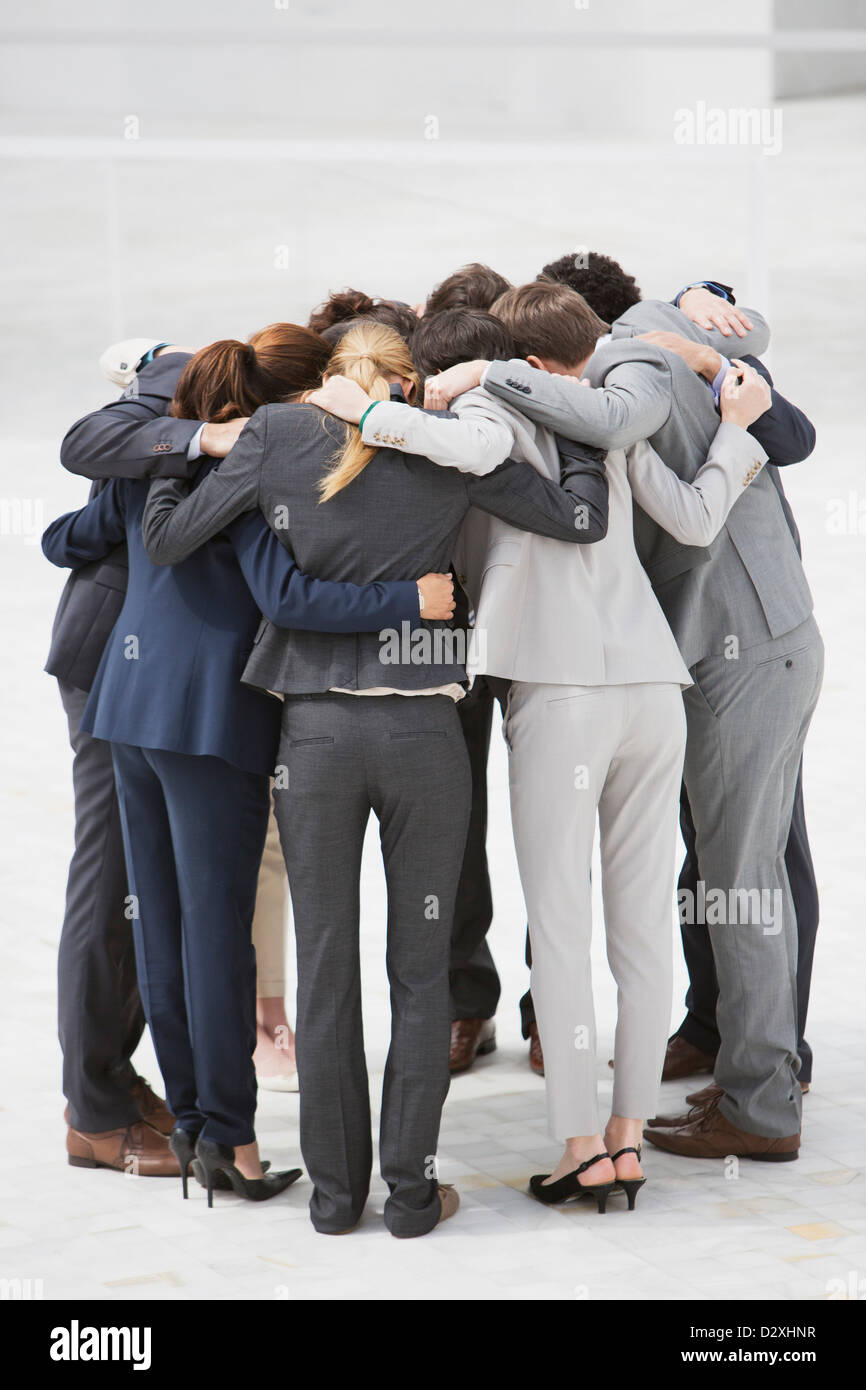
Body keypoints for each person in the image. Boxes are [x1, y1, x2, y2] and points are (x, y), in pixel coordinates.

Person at [138, 320, 610, 1236]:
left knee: (323, 968)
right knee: (420, 970)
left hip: (312, 737)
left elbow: (170, 539)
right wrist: (584, 436)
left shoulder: (275, 437)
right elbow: (577, 520)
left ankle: (332, 1197)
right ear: (410, 379)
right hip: (424, 733)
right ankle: (410, 1193)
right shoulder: (446, 444)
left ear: (327, 376)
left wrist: (176, 437)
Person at [309, 299, 775, 1207]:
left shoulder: (468, 424)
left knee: (562, 929)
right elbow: (693, 520)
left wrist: (363, 411)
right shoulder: (589, 427)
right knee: (641, 932)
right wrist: (735, 437)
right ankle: (628, 1137)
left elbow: (472, 451)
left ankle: (578, 1144)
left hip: (560, 697)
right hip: (653, 688)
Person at [43, 323, 451, 1202]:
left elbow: (82, 531)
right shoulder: (262, 471)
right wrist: (408, 599)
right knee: (216, 931)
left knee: (159, 922)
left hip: (126, 706)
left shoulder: (166, 454)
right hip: (209, 722)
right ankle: (232, 1139)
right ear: (296, 398)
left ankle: (193, 1124)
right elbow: (288, 598)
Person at [422, 280, 822, 1162]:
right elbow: (750, 336)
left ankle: (683, 1124)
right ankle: (678, 1095)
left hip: (648, 670)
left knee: (673, 895)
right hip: (683, 668)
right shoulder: (624, 388)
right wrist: (725, 388)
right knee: (685, 898)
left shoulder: (580, 396)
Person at [540, 253, 821, 1095]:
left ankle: (768, 1081)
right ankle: (724, 1035)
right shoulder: (649, 346)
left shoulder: (633, 375)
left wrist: (708, 341)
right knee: (719, 861)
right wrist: (708, 300)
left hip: (753, 637)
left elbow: (777, 442)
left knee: (753, 871)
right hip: (717, 642)